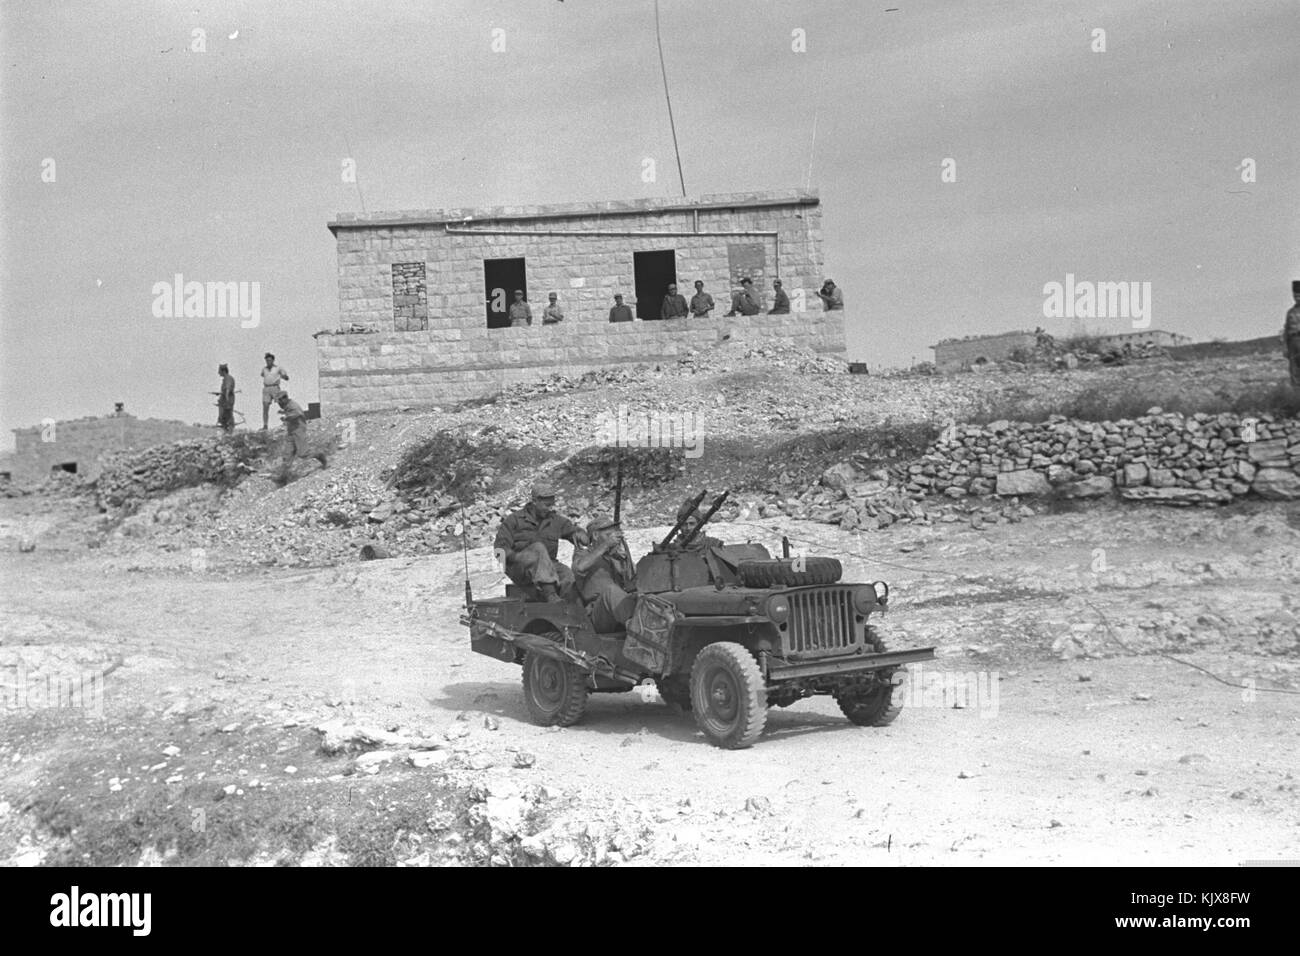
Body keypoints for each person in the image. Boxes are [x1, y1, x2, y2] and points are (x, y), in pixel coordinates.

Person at [494, 482, 590, 602]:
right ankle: (550, 595)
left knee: (567, 575)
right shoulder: (514, 520)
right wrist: (518, 557)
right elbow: (498, 551)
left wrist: (580, 534)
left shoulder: (555, 520)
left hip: (549, 566)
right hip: (520, 567)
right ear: (535, 501)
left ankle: (570, 608)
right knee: (538, 548)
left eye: (552, 505)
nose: (550, 508)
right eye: (546, 505)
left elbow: (573, 530)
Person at [571, 515, 638, 633]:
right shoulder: (584, 554)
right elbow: (579, 568)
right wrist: (606, 545)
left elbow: (632, 582)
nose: (613, 539)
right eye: (608, 535)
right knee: (610, 591)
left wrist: (622, 558)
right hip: (597, 613)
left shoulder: (615, 556)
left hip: (619, 608)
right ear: (596, 536)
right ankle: (638, 627)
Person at [275, 392, 327, 469]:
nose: (279, 403)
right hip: (291, 431)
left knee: (303, 453)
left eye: (280, 401)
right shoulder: (287, 406)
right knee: (287, 455)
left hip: (298, 430)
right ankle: (284, 476)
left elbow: (297, 414)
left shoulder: (293, 406)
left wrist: (286, 417)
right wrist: (283, 412)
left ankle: (319, 455)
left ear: (285, 398)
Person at [260, 353, 289, 430]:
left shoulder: (278, 368)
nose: (268, 362)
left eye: (269, 360)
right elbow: (263, 375)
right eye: (267, 360)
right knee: (265, 406)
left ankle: (289, 420)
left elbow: (285, 376)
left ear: (273, 360)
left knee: (282, 404)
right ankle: (265, 425)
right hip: (266, 388)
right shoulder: (264, 369)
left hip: (275, 387)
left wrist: (284, 376)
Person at [1286, 280, 1300, 388]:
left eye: (1299, 295)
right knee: (1294, 373)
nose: (1297, 298)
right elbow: (1287, 330)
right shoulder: (1290, 312)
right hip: (1293, 344)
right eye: (1295, 296)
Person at [216, 364, 236, 432]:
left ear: (223, 371)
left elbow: (227, 390)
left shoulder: (228, 378)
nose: (218, 373)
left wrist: (227, 401)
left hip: (227, 401)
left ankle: (229, 433)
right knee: (224, 418)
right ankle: (226, 432)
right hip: (224, 401)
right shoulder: (226, 378)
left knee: (228, 418)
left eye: (219, 371)